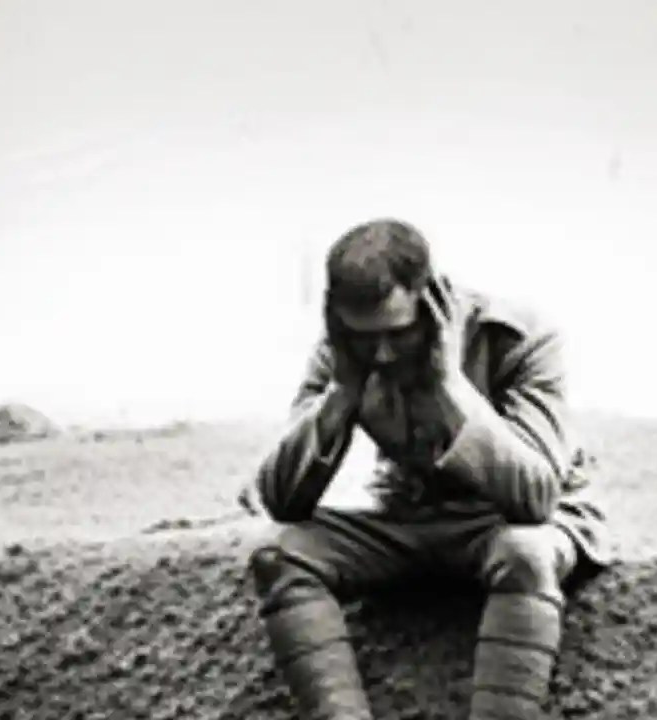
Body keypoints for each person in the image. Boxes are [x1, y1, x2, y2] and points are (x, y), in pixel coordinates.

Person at [238, 218, 611, 719]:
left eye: (400, 333)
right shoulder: (346, 352)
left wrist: (451, 385)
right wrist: (341, 393)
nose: (383, 353)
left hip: (505, 522)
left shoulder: (519, 337)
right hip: (412, 515)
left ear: (432, 298)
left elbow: (534, 500)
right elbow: (282, 502)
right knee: (278, 553)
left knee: (525, 552)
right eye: (365, 338)